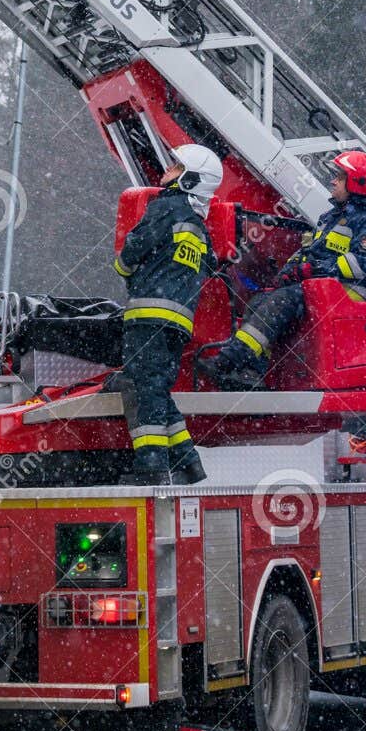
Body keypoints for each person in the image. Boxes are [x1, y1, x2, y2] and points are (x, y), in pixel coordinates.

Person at [200, 150, 366, 390]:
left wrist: (314, 269)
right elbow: (309, 251)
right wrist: (288, 272)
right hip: (320, 287)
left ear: (356, 183)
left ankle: (229, 360)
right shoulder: (331, 217)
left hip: (345, 293)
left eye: (340, 177)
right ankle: (251, 372)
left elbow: (365, 265)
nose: (333, 181)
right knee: (262, 299)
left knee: (280, 302)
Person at [113, 143, 224, 483]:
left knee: (146, 390)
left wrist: (125, 264)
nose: (170, 168)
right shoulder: (199, 230)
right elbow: (209, 267)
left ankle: (152, 468)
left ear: (189, 180)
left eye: (177, 165)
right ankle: (189, 463)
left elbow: (128, 257)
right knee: (157, 388)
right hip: (177, 325)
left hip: (148, 318)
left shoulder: (164, 208)